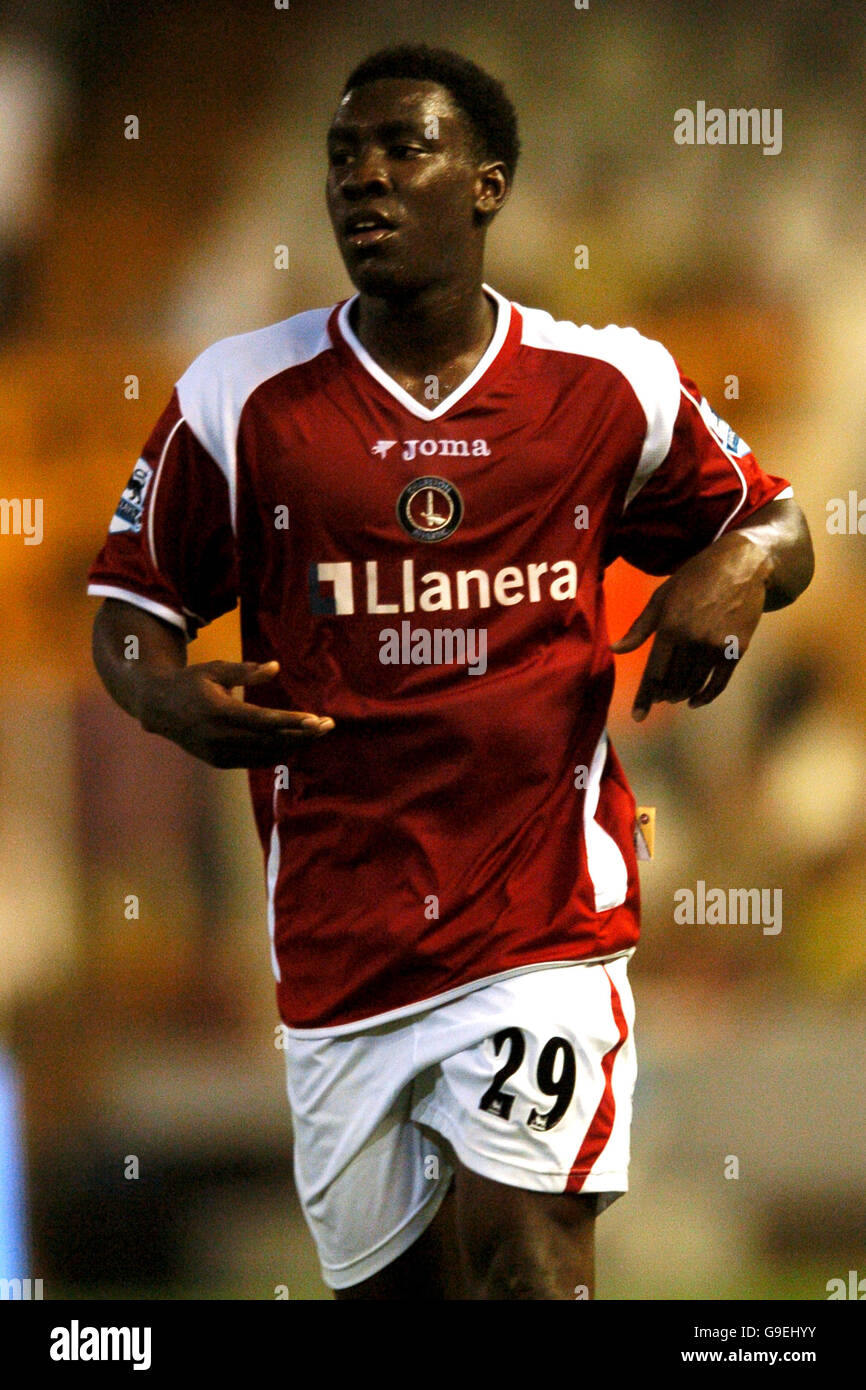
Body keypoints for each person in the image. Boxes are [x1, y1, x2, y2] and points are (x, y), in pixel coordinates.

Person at [88, 45, 814, 1300]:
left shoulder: (607, 383)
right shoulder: (240, 397)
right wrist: (165, 695)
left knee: (530, 1265)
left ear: (485, 185)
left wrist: (735, 565)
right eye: (340, 157)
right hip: (337, 941)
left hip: (541, 918)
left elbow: (784, 525)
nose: (363, 179)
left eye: (400, 149)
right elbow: (128, 610)